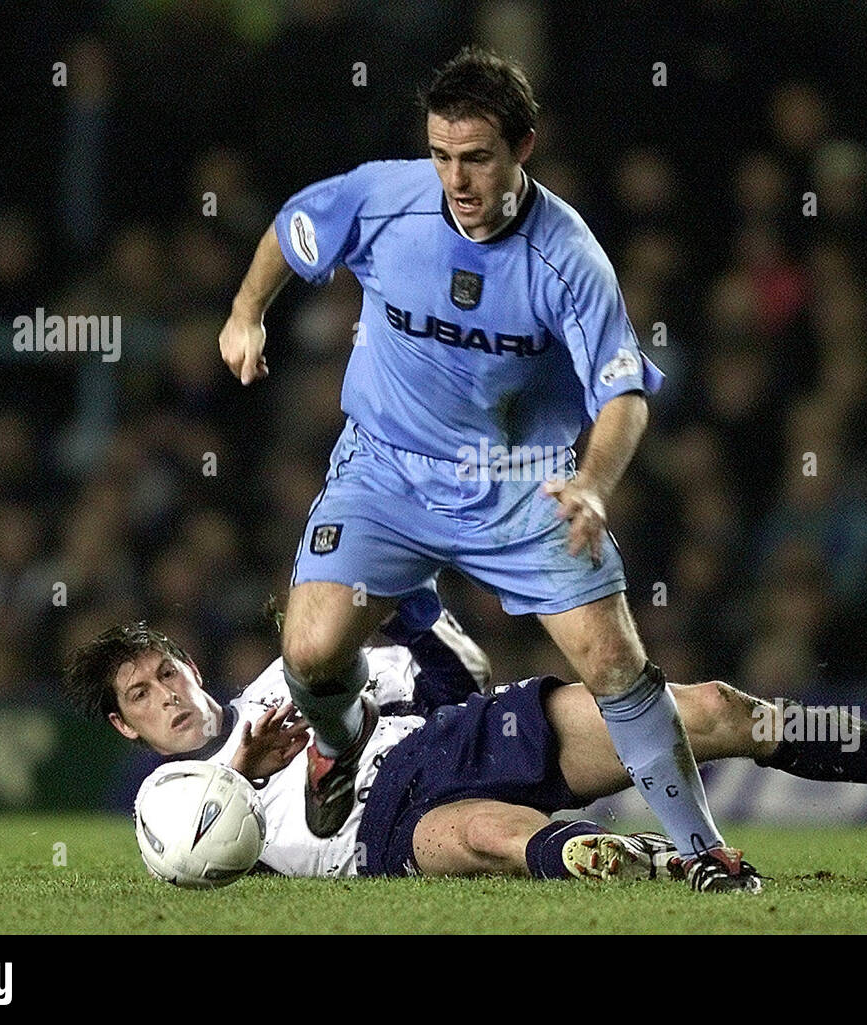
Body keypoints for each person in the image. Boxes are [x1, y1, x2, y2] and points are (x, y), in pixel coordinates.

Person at [217, 47, 739, 885]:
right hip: (386, 469)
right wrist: (248, 313)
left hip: (523, 479)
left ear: (523, 147)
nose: (456, 179)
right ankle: (340, 738)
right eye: (442, 155)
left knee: (612, 663)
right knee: (311, 653)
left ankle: (705, 850)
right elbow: (294, 226)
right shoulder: (386, 198)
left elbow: (625, 393)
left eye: (477, 157)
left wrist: (595, 483)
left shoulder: (569, 256)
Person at [63, 618, 867, 890]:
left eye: (164, 673)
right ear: (126, 726)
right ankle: (624, 856)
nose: (163, 698)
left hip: (460, 735)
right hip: (388, 823)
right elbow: (204, 846)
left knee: (714, 710)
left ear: (191, 664)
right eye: (139, 697)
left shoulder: (297, 670)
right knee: (480, 836)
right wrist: (258, 765)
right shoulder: (172, 793)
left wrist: (414, 656)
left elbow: (442, 679)